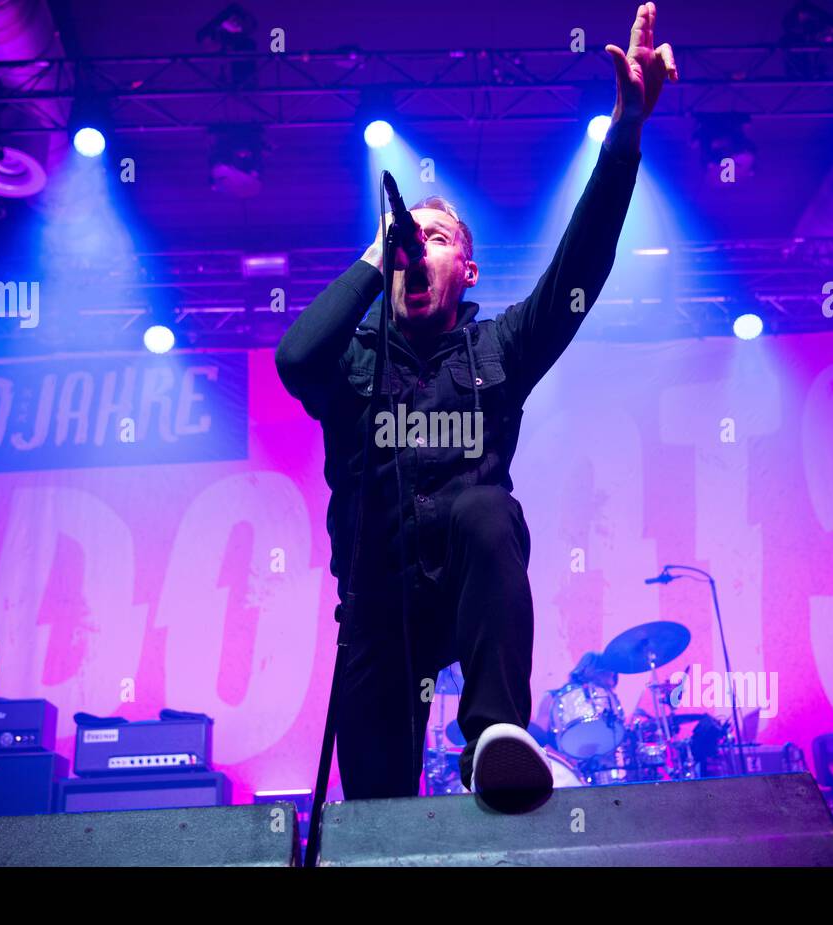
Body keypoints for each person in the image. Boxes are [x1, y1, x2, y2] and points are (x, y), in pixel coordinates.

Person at [275, 4, 677, 803]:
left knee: (486, 510)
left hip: (469, 579)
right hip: (376, 610)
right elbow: (294, 359)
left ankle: (495, 731)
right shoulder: (351, 357)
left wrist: (625, 135)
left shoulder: (500, 348)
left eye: (437, 239)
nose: (415, 249)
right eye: (405, 238)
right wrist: (374, 248)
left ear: (469, 271)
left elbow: (579, 272)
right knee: (377, 821)